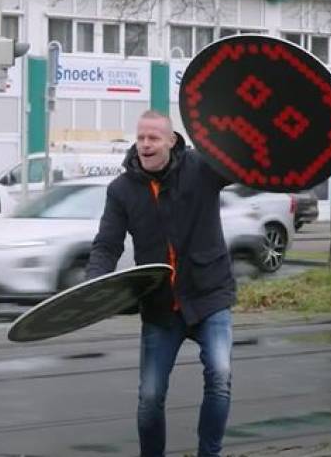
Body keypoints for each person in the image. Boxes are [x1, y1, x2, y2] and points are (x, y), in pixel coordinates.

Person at [87, 109, 235, 457]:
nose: (146, 144)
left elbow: (244, 163)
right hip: (160, 306)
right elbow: (107, 245)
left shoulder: (201, 169)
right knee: (150, 396)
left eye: (154, 138)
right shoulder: (121, 190)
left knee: (220, 376)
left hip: (209, 295)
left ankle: (209, 453)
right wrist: (93, 284)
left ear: (171, 141)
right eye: (141, 137)